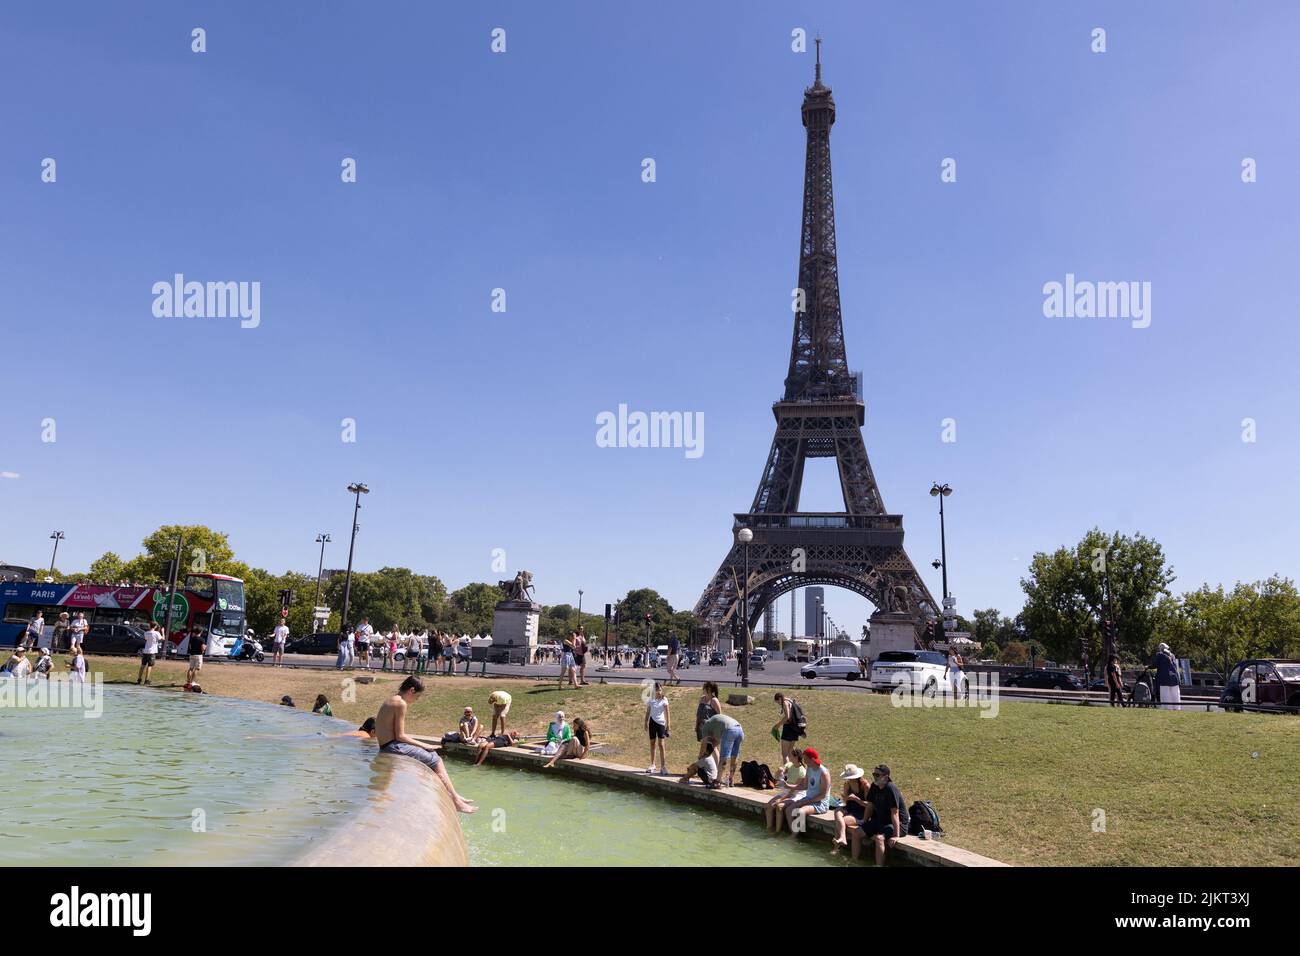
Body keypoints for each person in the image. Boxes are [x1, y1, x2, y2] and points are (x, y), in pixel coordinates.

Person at [376, 676, 476, 813]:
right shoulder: (401, 703)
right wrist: (424, 745)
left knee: (432, 755)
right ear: (411, 690)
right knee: (437, 760)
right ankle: (456, 802)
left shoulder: (390, 700)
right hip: (393, 746)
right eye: (416, 697)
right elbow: (400, 736)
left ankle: (455, 795)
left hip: (387, 745)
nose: (415, 700)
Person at [854, 764, 907, 864]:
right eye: (874, 774)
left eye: (877, 775)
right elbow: (870, 806)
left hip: (898, 824)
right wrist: (864, 822)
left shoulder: (891, 789)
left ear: (886, 777)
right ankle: (853, 861)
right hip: (881, 821)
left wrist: (896, 835)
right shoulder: (874, 786)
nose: (874, 777)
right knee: (857, 832)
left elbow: (895, 813)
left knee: (879, 838)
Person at [784, 746, 831, 834]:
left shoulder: (824, 773)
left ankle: (794, 837)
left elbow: (822, 795)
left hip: (820, 803)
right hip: (809, 799)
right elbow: (804, 786)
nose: (804, 761)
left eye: (805, 759)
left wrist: (806, 802)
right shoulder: (809, 768)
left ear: (812, 759)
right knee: (789, 809)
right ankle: (794, 833)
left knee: (800, 811)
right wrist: (789, 786)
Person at [764, 747, 806, 833]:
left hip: (797, 793)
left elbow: (795, 788)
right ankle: (769, 829)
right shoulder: (789, 765)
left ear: (796, 757)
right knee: (769, 806)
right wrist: (779, 771)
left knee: (779, 807)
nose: (788, 757)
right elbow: (776, 777)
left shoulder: (802, 771)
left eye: (790, 755)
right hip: (787, 790)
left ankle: (777, 831)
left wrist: (781, 799)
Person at [700, 712, 744, 787]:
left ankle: (717, 782)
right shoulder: (715, 722)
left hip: (729, 730)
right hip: (739, 729)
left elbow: (703, 743)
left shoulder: (705, 726)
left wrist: (700, 756)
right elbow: (716, 742)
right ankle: (731, 780)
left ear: (701, 725)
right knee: (734, 756)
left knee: (724, 757)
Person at [832, 763, 869, 852]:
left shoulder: (865, 786)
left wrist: (856, 799)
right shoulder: (847, 784)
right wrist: (845, 799)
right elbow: (845, 802)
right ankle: (842, 838)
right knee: (837, 811)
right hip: (850, 808)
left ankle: (836, 848)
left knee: (841, 822)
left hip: (861, 812)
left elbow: (869, 805)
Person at [645, 682, 670, 774]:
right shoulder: (651, 700)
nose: (658, 692)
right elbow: (648, 712)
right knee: (652, 744)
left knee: (661, 745)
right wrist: (645, 722)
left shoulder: (664, 700)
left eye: (660, 690)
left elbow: (667, 713)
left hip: (661, 724)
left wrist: (668, 726)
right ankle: (652, 765)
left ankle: (663, 767)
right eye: (656, 690)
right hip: (652, 723)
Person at [773, 692, 805, 764]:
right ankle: (796, 767)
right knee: (791, 751)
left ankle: (787, 773)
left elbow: (787, 717)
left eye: (778, 702)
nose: (778, 704)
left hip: (789, 729)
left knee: (785, 754)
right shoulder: (790, 701)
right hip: (795, 729)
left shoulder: (784, 703)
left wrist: (777, 725)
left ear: (780, 699)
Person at [1152, 642, 1181, 710]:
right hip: (1174, 678)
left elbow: (1155, 665)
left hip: (1164, 679)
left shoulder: (1159, 655)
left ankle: (1167, 708)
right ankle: (1176, 707)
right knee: (1175, 694)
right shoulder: (1172, 655)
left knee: (1165, 695)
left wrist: (1148, 667)